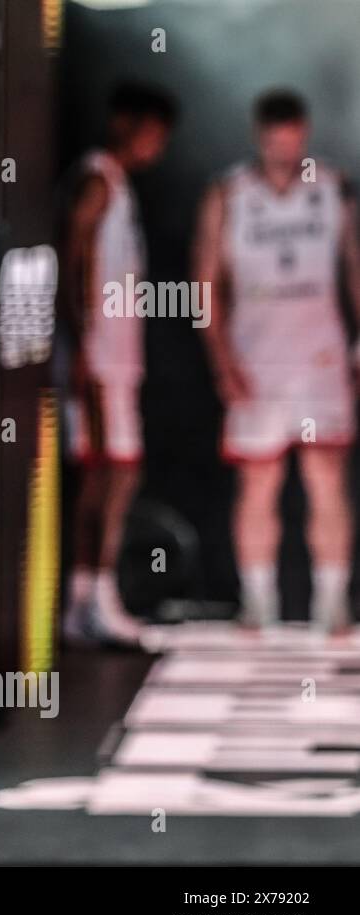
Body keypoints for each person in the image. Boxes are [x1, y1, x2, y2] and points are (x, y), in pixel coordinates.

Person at [194, 89, 360, 634]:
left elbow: (356, 271)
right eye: (273, 140)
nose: (283, 150)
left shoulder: (333, 188)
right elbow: (205, 284)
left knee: (325, 479)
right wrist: (221, 360)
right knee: (258, 483)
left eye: (291, 139)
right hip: (256, 358)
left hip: (320, 357)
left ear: (304, 133)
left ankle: (332, 603)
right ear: (260, 135)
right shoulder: (229, 192)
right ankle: (257, 603)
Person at [60, 81, 175, 645]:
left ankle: (90, 598)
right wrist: (81, 344)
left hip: (116, 353)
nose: (156, 144)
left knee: (114, 473)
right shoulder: (99, 177)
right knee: (107, 472)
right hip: (97, 354)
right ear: (124, 123)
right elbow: (71, 254)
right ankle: (91, 598)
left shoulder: (120, 184)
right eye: (150, 130)